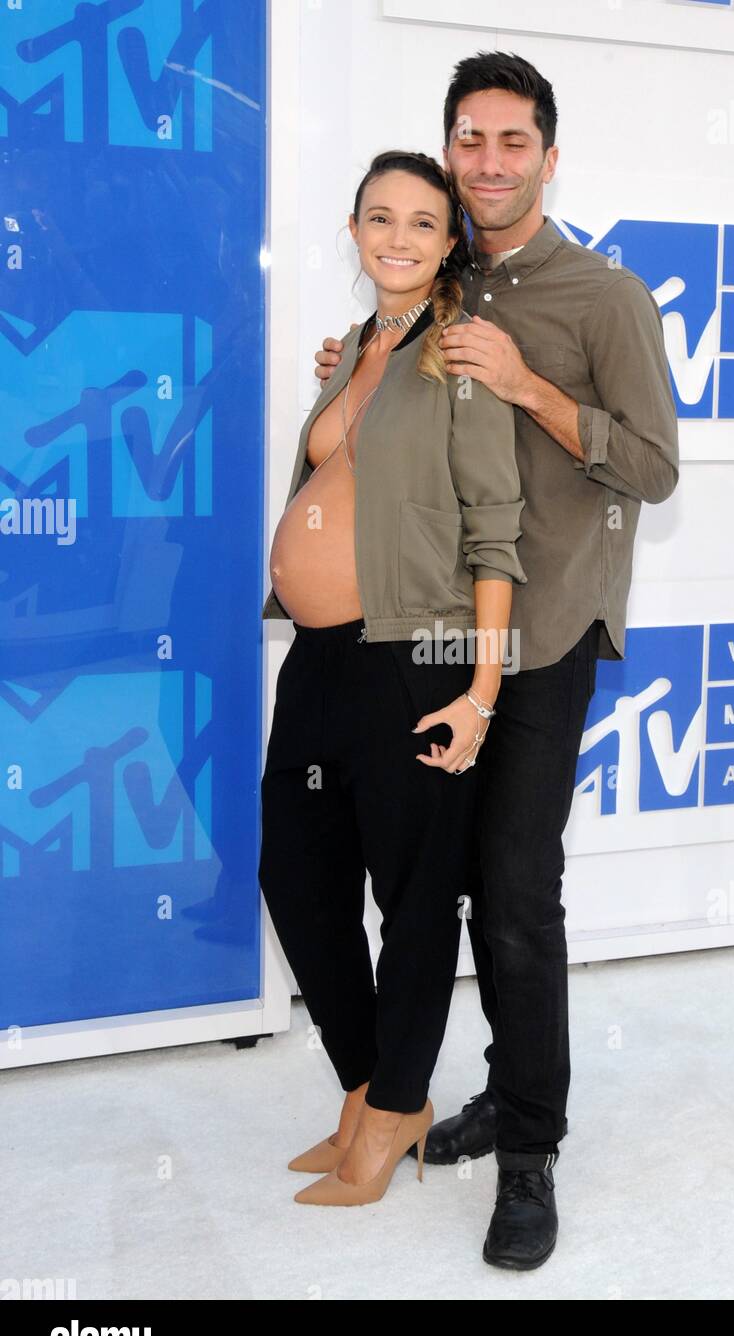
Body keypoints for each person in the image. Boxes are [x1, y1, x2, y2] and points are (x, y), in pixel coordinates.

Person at [314, 53, 680, 1263]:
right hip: (429, 632)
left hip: (544, 631)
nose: (485, 163)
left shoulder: (603, 296)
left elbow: (652, 467)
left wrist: (527, 386)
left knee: (516, 893)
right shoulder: (433, 276)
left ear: (548, 154)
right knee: (441, 885)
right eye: (466, 139)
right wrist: (354, 374)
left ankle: (529, 1148)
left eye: (509, 141)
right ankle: (465, 1088)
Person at [259, 149, 528, 1207]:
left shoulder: (458, 354)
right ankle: (371, 1089)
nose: (400, 237)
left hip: (415, 657)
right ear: (355, 227)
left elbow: (494, 534)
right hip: (319, 658)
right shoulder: (357, 348)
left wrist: (480, 693)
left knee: (414, 902)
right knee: (298, 874)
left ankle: (395, 1102)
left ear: (449, 240)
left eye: (425, 221)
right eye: (381, 217)